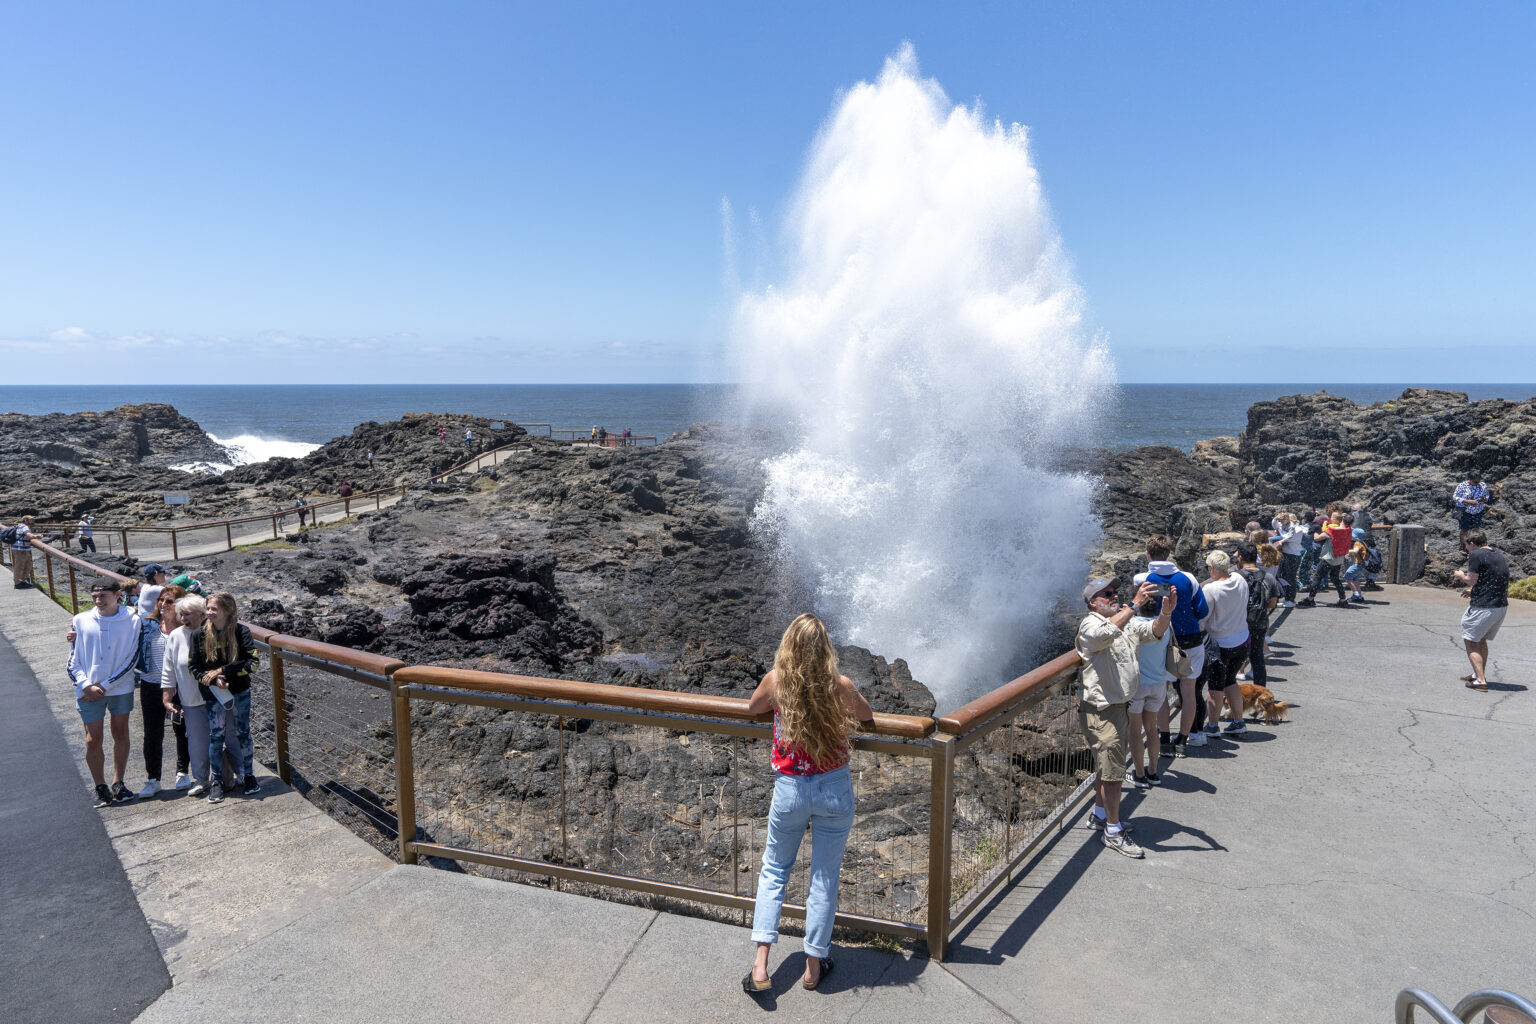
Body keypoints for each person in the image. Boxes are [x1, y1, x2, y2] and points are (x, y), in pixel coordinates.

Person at [742, 614, 874, 996]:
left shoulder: (776, 682)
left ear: (789, 646)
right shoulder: (840, 687)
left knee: (774, 870)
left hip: (791, 790)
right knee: (824, 877)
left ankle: (760, 966)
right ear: (825, 650)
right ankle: (814, 966)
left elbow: (753, 708)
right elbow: (866, 715)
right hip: (833, 789)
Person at [1076, 578, 1172, 857]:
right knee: (1114, 774)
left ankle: (1099, 816)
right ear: (1093, 603)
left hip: (1118, 707)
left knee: (1108, 768)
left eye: (1115, 592)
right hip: (1102, 710)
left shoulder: (1125, 622)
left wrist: (1166, 613)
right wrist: (1134, 605)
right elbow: (1100, 636)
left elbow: (1154, 631)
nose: (1114, 596)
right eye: (1107, 594)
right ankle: (1113, 830)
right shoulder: (1090, 625)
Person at [68, 579, 143, 807]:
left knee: (120, 733)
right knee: (93, 739)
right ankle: (100, 786)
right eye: (95, 596)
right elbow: (73, 659)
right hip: (88, 688)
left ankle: (118, 782)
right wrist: (85, 685)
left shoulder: (133, 619)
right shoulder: (80, 620)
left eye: (103, 596)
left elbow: (133, 657)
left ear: (118, 595)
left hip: (120, 688)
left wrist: (106, 685)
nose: (98, 600)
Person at [1136, 534, 1210, 756]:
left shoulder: (1142, 579)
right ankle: (1183, 741)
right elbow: (1203, 611)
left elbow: (1139, 609)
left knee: (1161, 693)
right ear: (1169, 553)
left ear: (1148, 555)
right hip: (1191, 641)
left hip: (1162, 643)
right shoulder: (1188, 578)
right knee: (1189, 693)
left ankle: (1165, 740)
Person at [191, 592, 261, 798]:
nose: (209, 612)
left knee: (243, 733)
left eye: (214, 609)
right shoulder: (199, 634)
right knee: (216, 736)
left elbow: (253, 663)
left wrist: (222, 671)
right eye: (208, 608)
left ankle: (248, 776)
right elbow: (193, 667)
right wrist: (214, 680)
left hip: (239, 691)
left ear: (228, 610)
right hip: (213, 694)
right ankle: (217, 782)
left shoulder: (241, 631)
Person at [133, 583, 185, 798]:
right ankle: (153, 779)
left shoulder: (186, 627)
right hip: (151, 685)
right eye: (161, 600)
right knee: (152, 734)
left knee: (181, 730)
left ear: (179, 604)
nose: (163, 604)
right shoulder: (147, 623)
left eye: (169, 601)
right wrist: (76, 634)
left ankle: (182, 772)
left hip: (179, 686)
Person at [1127, 590, 1182, 789]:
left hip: (1137, 685)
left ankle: (1139, 775)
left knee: (1135, 730)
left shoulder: (1130, 624)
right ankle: (1153, 772)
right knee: (1151, 729)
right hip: (1158, 683)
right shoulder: (1165, 624)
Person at [162, 594, 213, 797]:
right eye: (181, 614)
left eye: (187, 614)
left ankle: (238, 775)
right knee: (196, 742)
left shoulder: (214, 632)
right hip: (190, 699)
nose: (183, 618)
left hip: (218, 697)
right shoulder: (176, 636)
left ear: (201, 615)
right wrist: (167, 698)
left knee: (230, 737)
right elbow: (168, 669)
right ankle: (202, 779)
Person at [1200, 551, 1251, 738]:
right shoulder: (1240, 579)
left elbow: (1203, 618)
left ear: (1212, 568)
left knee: (1214, 686)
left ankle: (1213, 726)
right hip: (1242, 640)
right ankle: (1238, 722)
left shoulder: (1210, 589)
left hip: (1220, 645)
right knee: (1230, 680)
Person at [1454, 530, 1509, 692]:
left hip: (1483, 607)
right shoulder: (1497, 553)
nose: (1466, 549)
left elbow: (1471, 580)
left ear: (1472, 543)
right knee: (1480, 640)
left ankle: (1480, 681)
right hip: (1499, 606)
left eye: (1466, 545)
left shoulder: (1476, 554)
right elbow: (1495, 579)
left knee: (1471, 641)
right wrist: (1475, 591)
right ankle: (1477, 674)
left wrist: (1460, 575)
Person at [1234, 542, 1278, 687]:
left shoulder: (1234, 577)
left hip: (1238, 624)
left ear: (1240, 558)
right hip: (1258, 622)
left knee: (1233, 658)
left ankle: (1231, 694)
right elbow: (1273, 603)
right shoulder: (1268, 577)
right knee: (1257, 658)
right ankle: (1260, 692)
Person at [1300, 508, 1351, 607]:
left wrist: (1316, 530)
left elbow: (1316, 538)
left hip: (1328, 558)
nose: (1330, 518)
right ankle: (1343, 599)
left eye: (1331, 517)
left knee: (1317, 577)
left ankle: (1310, 599)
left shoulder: (1332, 530)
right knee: (1335, 579)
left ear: (1334, 519)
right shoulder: (1346, 530)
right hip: (1338, 558)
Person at [1271, 512, 1305, 607]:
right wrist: (1275, 518)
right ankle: (1286, 598)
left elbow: (1288, 537)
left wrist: (1279, 530)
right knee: (1284, 577)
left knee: (1291, 578)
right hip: (1285, 554)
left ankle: (1291, 600)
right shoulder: (1285, 527)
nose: (1281, 523)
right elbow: (1274, 525)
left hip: (1294, 556)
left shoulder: (1298, 529)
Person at [1453, 472, 1491, 550]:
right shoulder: (1462, 486)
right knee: (1464, 530)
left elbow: (1487, 496)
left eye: (1479, 481)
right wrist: (1468, 501)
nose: (1477, 483)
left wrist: (1483, 499)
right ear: (1469, 479)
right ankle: (1463, 546)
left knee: (1475, 531)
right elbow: (1455, 497)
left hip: (1478, 512)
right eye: (1475, 482)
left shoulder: (1483, 485)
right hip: (1465, 512)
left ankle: (1474, 547)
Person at [9, 515, 36, 588]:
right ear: (26, 520)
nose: (33, 521)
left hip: (23, 549)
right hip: (20, 549)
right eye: (31, 519)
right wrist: (36, 536)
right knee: (20, 566)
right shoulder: (24, 527)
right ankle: (17, 583)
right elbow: (28, 534)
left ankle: (22, 581)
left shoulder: (21, 526)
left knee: (28, 565)